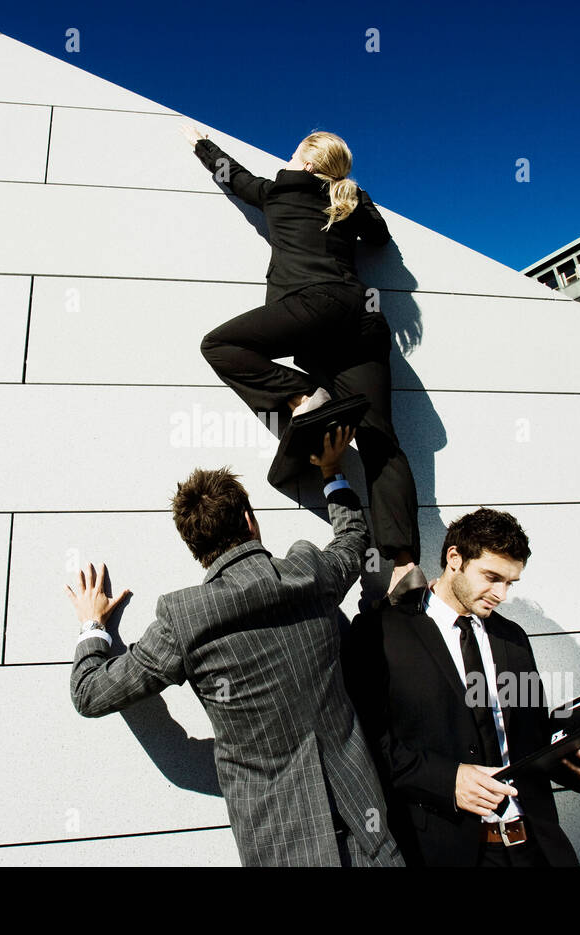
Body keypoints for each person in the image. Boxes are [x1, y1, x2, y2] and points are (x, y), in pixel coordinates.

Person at [68, 427, 402, 867]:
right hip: (369, 828)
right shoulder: (308, 572)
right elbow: (351, 540)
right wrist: (333, 471)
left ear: (195, 548)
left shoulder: (183, 619)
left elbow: (90, 694)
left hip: (282, 847)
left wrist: (93, 625)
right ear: (249, 520)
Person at [181, 124, 424, 603]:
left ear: (309, 163)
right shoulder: (350, 202)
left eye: (295, 154)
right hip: (362, 317)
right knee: (380, 442)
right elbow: (378, 237)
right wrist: (354, 196)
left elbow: (237, 179)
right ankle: (405, 566)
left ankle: (302, 396)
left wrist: (202, 146)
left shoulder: (279, 192)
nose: (288, 160)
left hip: (313, 307)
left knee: (219, 345)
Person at [343, 507, 580, 866]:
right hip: (449, 852)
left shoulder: (513, 638)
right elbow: (364, 746)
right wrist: (448, 780)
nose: (501, 594)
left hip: (538, 849)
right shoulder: (378, 633)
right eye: (491, 577)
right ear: (454, 558)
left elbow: (533, 740)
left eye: (510, 583)